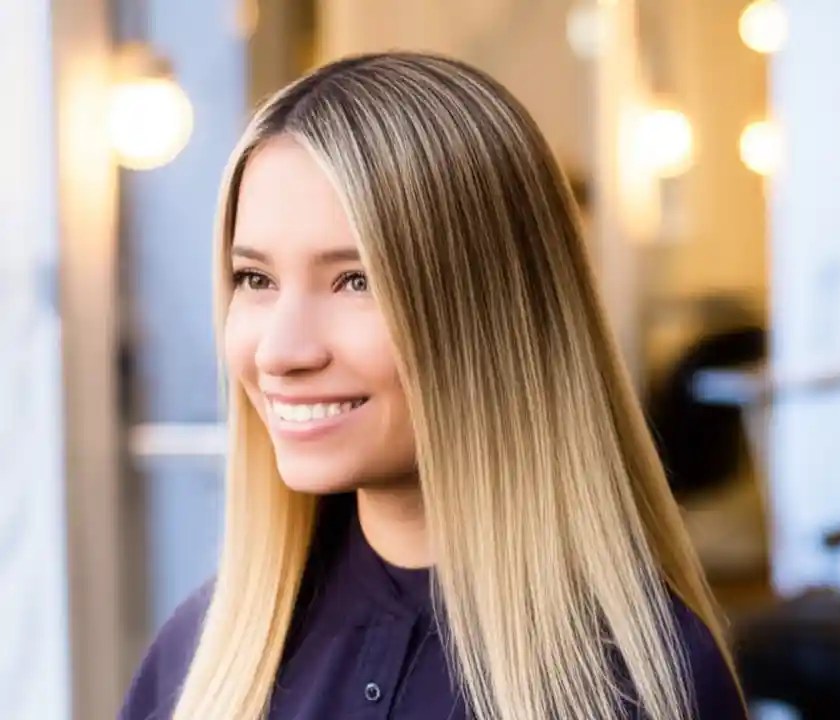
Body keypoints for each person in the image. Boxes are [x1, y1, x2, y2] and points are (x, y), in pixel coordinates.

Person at [119, 53, 745, 720]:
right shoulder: (202, 656)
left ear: (496, 312)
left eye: (357, 280)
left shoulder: (633, 684)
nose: (280, 351)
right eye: (255, 279)